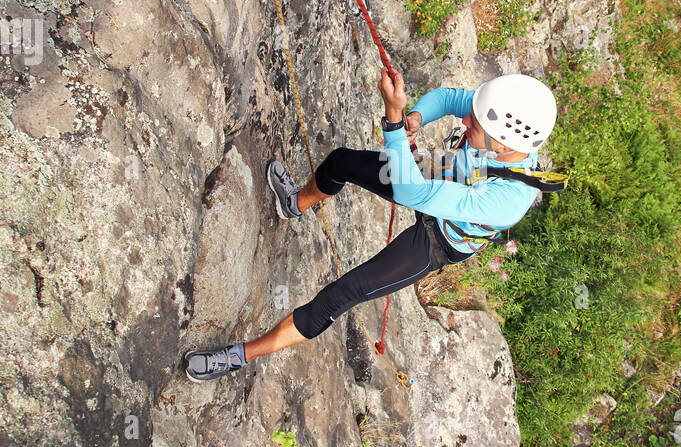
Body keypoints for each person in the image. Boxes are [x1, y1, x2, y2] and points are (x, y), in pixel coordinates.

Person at [183, 69, 557, 381]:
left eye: (472, 123)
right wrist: (414, 119)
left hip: (439, 239)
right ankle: (294, 204)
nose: (464, 120)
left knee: (340, 295)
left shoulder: (509, 200)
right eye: (472, 114)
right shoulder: (496, 118)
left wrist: (394, 122)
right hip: (438, 177)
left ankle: (237, 357)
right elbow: (446, 98)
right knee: (342, 162)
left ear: (503, 143)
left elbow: (414, 195)